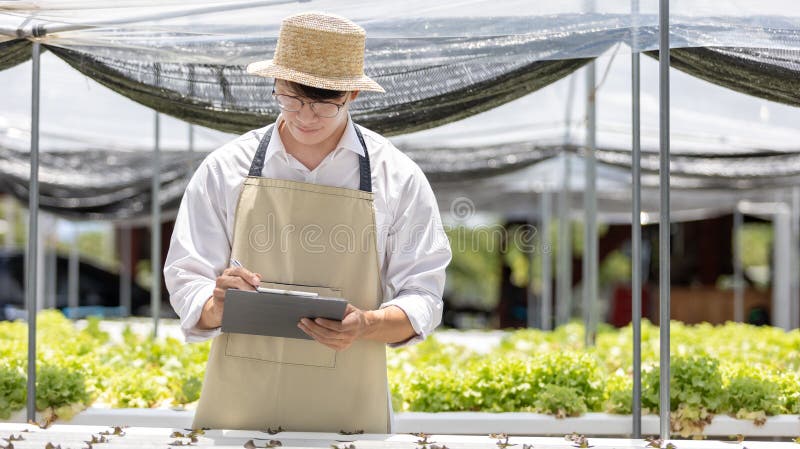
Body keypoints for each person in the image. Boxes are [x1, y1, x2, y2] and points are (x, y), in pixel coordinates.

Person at [164, 12, 452, 433]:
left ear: (352, 94)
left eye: (323, 104)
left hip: (348, 407)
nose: (304, 117)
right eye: (291, 99)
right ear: (276, 86)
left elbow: (424, 296)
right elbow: (187, 280)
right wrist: (216, 303)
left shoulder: (398, 177)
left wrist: (367, 324)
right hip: (241, 405)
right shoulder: (225, 168)